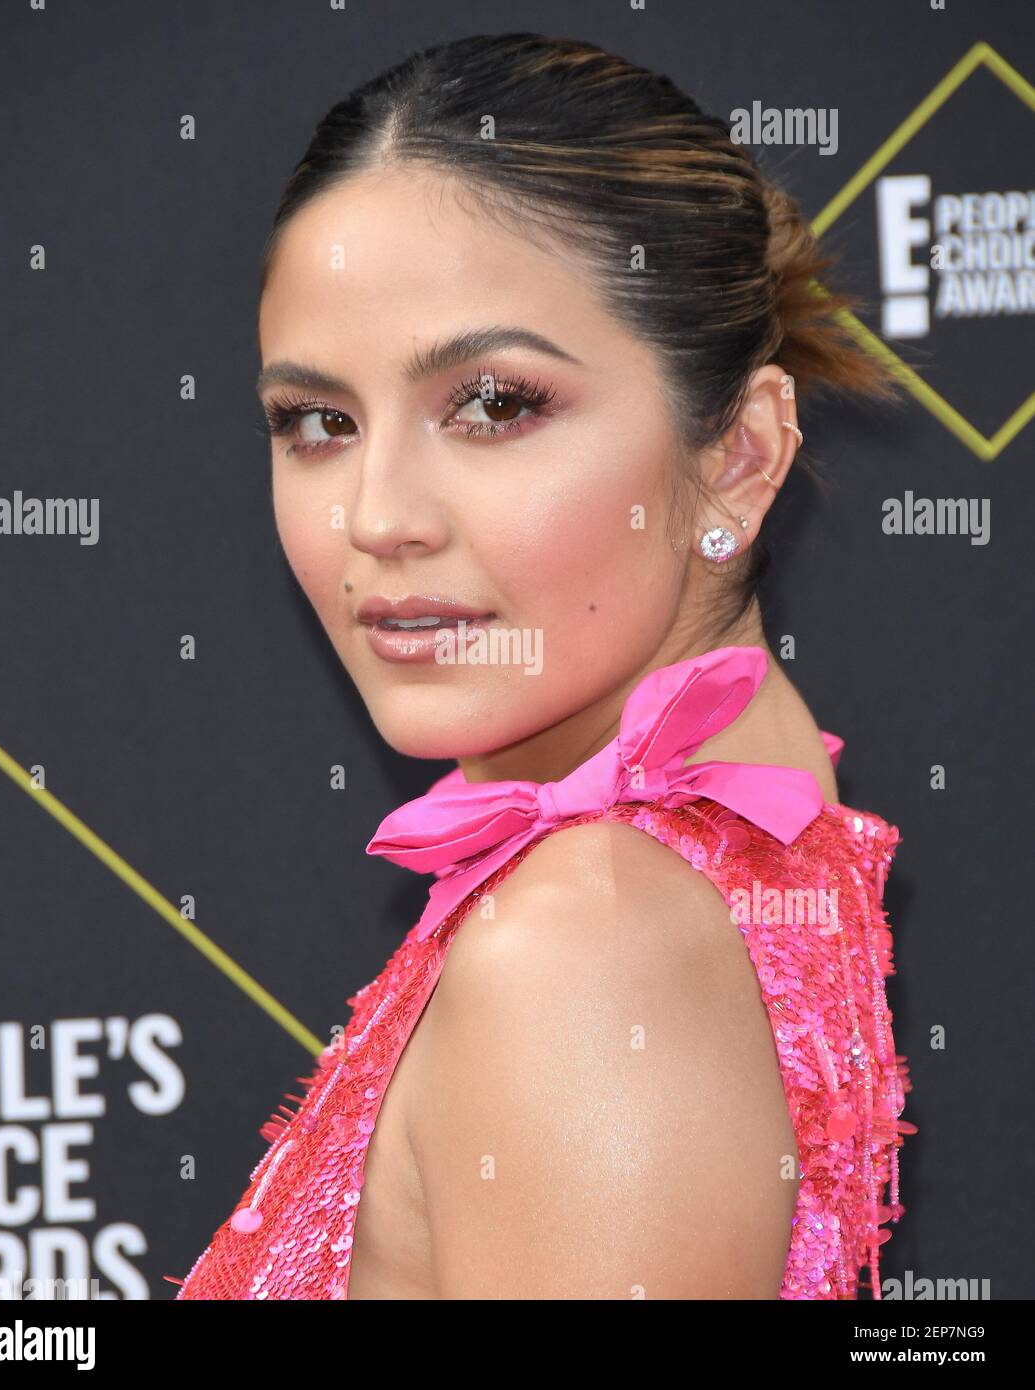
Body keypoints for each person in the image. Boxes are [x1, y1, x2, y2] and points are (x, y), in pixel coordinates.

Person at [170, 31, 913, 1301]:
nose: (378, 514)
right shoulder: (702, 860)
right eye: (316, 423)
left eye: (494, 404)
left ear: (736, 453)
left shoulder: (584, 941)